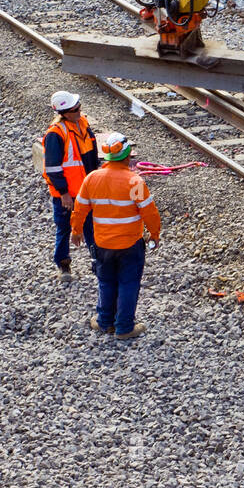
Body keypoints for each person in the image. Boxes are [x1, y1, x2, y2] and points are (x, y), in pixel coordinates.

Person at [72, 133, 160, 340]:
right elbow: (149, 212)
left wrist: (76, 230)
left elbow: (80, 208)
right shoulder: (134, 182)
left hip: (102, 243)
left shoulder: (92, 178)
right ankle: (124, 327)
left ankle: (104, 322)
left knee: (106, 281)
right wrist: (154, 234)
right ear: (128, 156)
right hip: (130, 243)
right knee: (128, 283)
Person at [41, 91, 97, 275]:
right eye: (76, 108)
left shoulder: (83, 125)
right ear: (65, 113)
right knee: (64, 228)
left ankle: (98, 261)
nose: (80, 110)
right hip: (66, 194)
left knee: (91, 226)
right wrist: (64, 192)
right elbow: (52, 168)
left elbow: (91, 158)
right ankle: (63, 264)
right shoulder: (55, 134)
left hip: (85, 190)